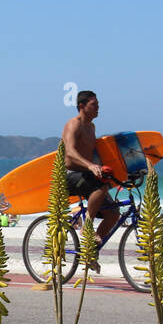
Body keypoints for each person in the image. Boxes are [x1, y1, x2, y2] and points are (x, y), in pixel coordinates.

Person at [62, 90, 119, 270]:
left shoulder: (91, 127)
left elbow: (93, 153)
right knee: (101, 188)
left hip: (87, 174)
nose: (98, 108)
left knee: (113, 214)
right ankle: (87, 228)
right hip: (70, 175)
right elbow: (70, 152)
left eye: (98, 105)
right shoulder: (74, 124)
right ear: (81, 106)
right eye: (94, 105)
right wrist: (90, 166)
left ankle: (89, 252)